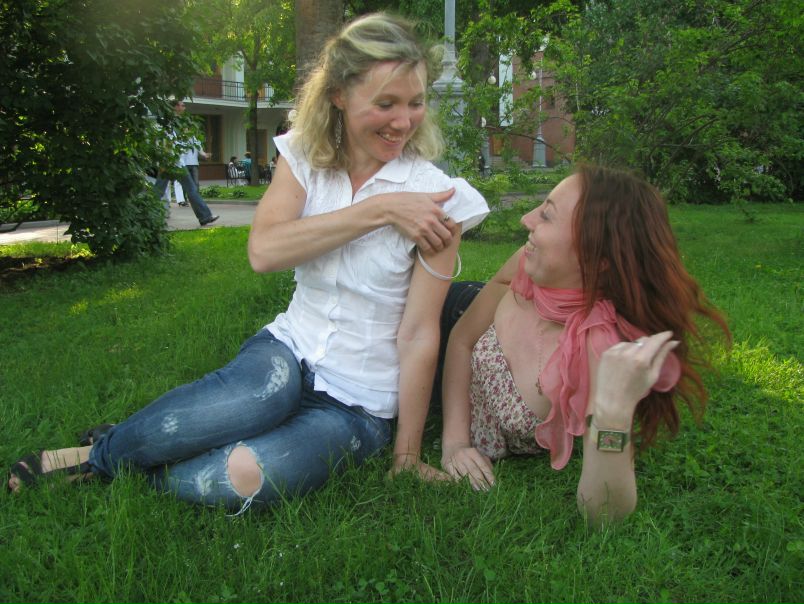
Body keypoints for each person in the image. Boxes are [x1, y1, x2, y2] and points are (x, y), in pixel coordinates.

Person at [8, 13, 489, 512]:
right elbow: (264, 252)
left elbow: (419, 334)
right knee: (254, 398)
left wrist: (406, 456)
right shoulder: (305, 158)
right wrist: (379, 210)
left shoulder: (438, 199)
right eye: (385, 103)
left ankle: (140, 446)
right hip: (285, 351)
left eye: (415, 103)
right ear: (339, 95)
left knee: (242, 477)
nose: (403, 121)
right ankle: (100, 458)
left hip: (358, 404)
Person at [423, 164, 730, 526]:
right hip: (447, 315)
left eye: (547, 215)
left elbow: (604, 513)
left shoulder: (600, 349)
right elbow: (461, 339)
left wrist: (613, 413)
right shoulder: (528, 261)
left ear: (597, 258)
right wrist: (455, 443)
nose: (526, 219)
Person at [152, 100, 219, 226]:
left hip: (176, 162)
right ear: (175, 107)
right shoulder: (167, 123)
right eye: (182, 105)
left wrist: (202, 153)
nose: (184, 107)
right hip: (172, 162)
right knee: (187, 189)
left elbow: (192, 140)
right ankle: (205, 216)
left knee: (159, 190)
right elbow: (163, 142)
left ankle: (205, 216)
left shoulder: (181, 123)